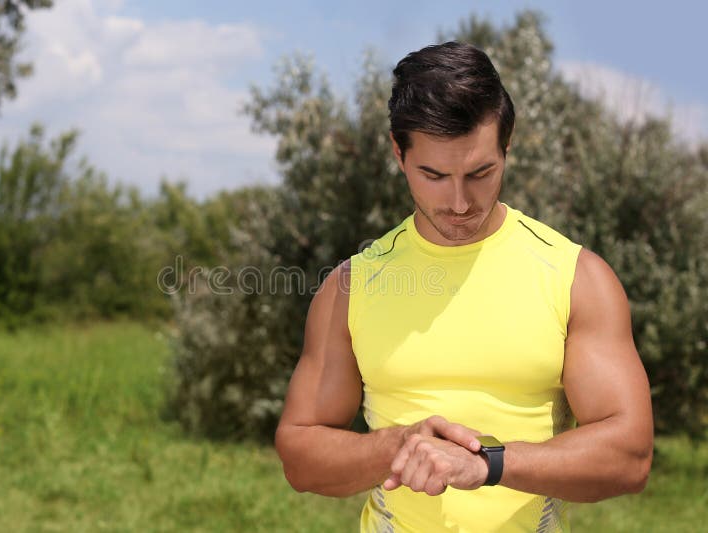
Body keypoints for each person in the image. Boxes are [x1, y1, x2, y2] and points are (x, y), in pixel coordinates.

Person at [274, 42, 654, 532]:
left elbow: (630, 455)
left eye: (480, 173)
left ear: (506, 149)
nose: (458, 202)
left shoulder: (576, 277)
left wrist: (487, 464)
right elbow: (299, 456)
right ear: (398, 153)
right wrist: (397, 447)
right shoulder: (351, 287)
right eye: (433, 174)